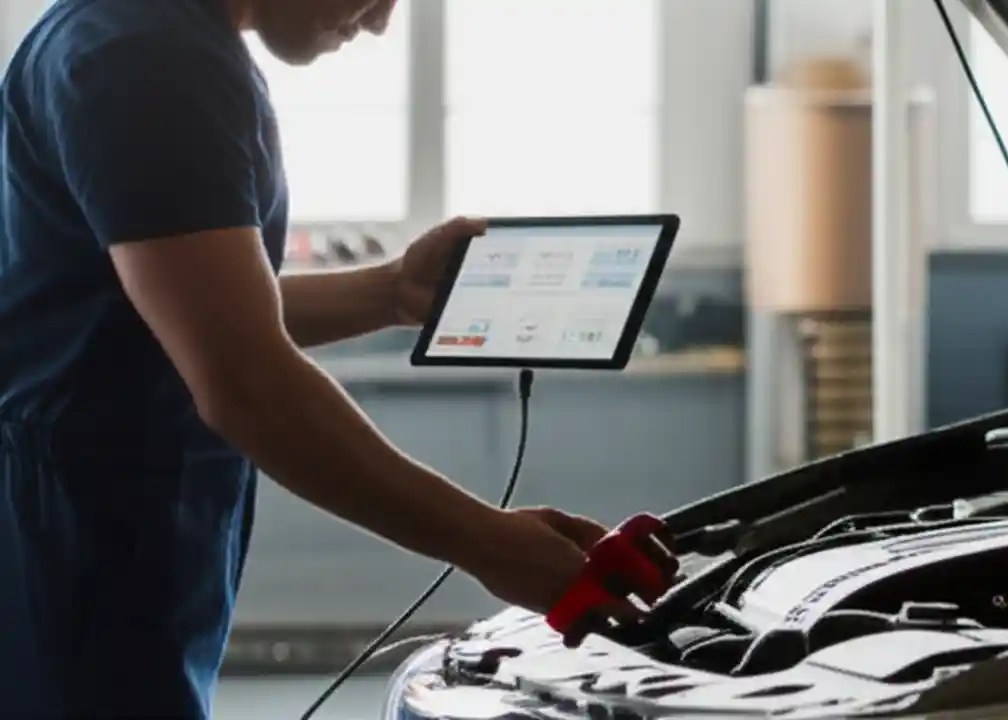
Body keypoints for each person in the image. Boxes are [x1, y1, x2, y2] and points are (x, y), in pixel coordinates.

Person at [0, 0, 636, 716]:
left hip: (106, 528)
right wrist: (490, 543)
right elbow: (248, 380)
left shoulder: (131, 32)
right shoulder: (150, 61)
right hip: (77, 540)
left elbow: (187, 315)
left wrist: (393, 292)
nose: (378, 23)